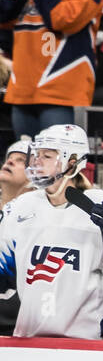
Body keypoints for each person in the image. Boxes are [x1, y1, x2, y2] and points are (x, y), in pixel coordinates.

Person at [0, 125, 103, 340]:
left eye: (47, 156)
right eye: (36, 155)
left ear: (72, 161)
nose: (37, 161)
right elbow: (5, 277)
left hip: (86, 344)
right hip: (27, 342)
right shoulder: (21, 207)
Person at [0, 0, 103, 140]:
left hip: (61, 92)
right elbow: (3, 19)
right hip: (22, 91)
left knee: (58, 165)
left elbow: (63, 20)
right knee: (26, 165)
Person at [0, 141, 32, 336]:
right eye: (9, 158)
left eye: (20, 160)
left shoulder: (37, 218)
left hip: (17, 324)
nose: (11, 161)